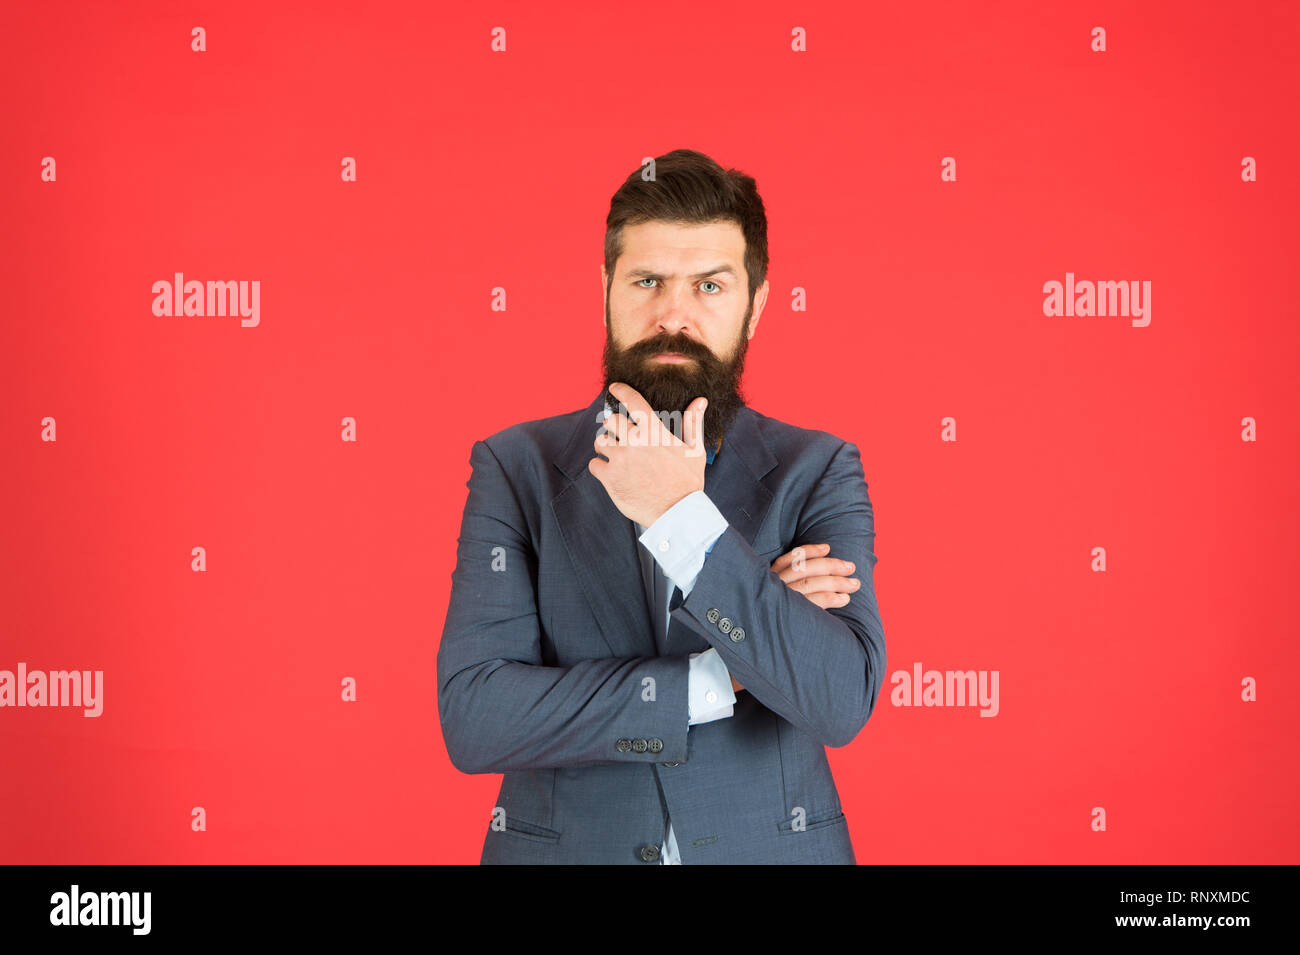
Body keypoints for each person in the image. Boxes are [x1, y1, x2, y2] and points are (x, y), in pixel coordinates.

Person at [437, 148, 886, 864]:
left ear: (756, 304)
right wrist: (719, 676)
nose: (673, 314)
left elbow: (836, 699)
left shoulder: (817, 469)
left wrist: (683, 517)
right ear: (606, 291)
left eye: (710, 285)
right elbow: (478, 716)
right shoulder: (515, 467)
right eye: (647, 280)